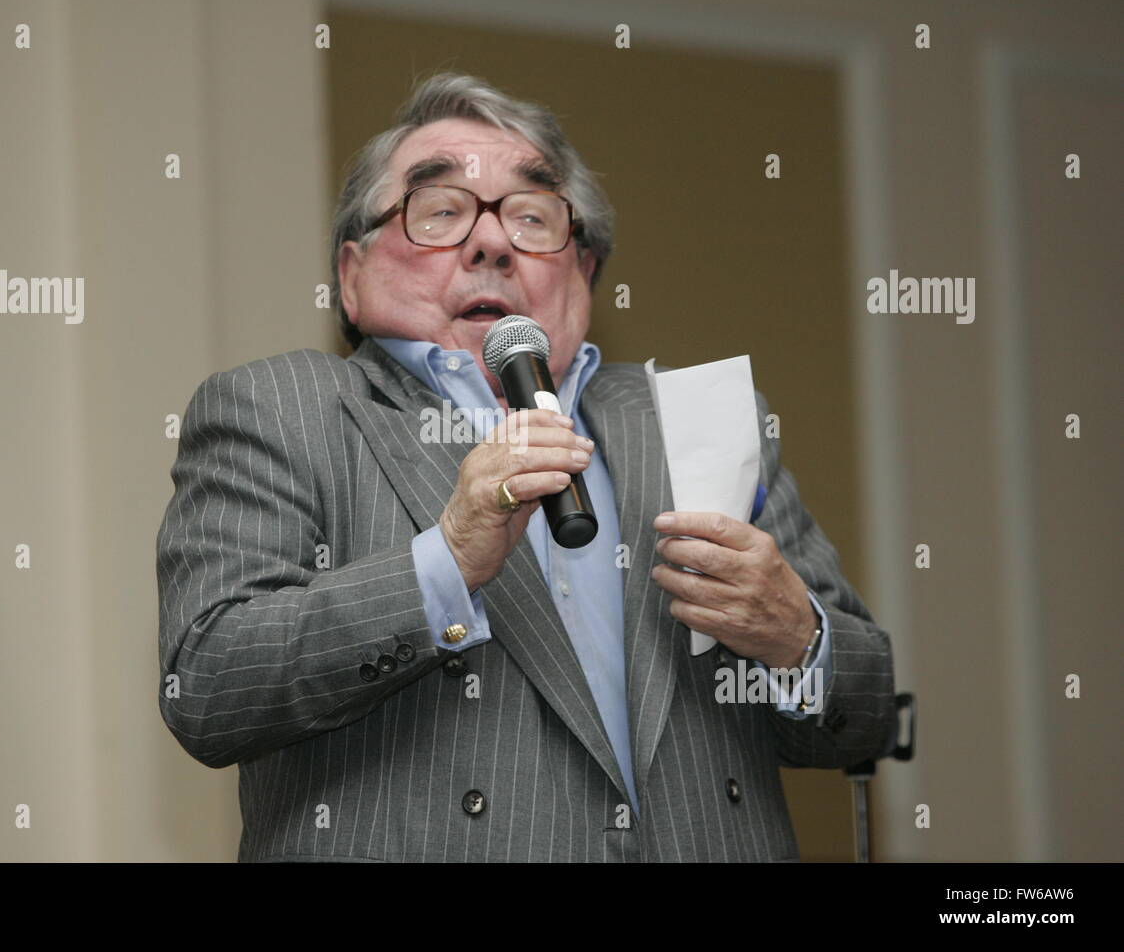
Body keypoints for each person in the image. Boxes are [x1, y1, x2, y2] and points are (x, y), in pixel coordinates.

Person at [156, 73, 896, 862]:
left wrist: (797, 640)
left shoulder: (695, 419)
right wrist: (444, 564)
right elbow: (207, 687)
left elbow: (871, 710)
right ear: (352, 274)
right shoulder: (282, 407)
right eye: (439, 211)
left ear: (583, 271)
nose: (492, 242)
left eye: (532, 216)